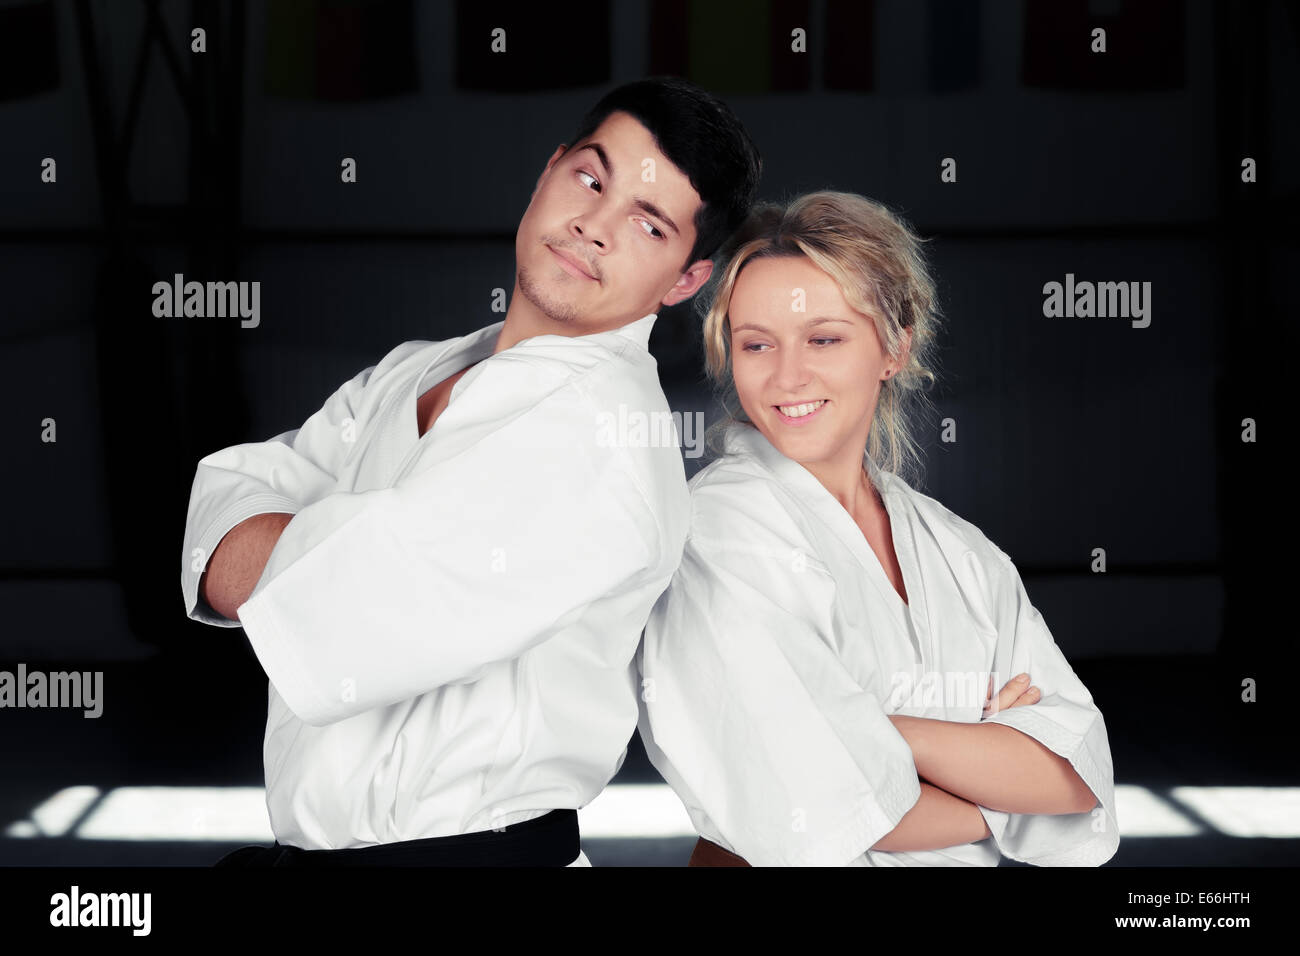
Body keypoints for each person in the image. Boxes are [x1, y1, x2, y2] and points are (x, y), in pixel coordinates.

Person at [180, 77, 762, 866]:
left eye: (648, 225)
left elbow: (349, 606)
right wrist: (303, 551)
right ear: (549, 170)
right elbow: (221, 509)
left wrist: (283, 544)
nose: (593, 226)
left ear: (687, 279)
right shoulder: (413, 370)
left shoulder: (602, 437)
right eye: (592, 180)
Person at [637, 191, 1119, 866]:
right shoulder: (715, 533)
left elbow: (1076, 778)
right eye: (756, 345)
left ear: (894, 348)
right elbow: (811, 805)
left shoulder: (959, 551)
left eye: (825, 338)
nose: (787, 375)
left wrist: (871, 733)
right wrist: (994, 777)